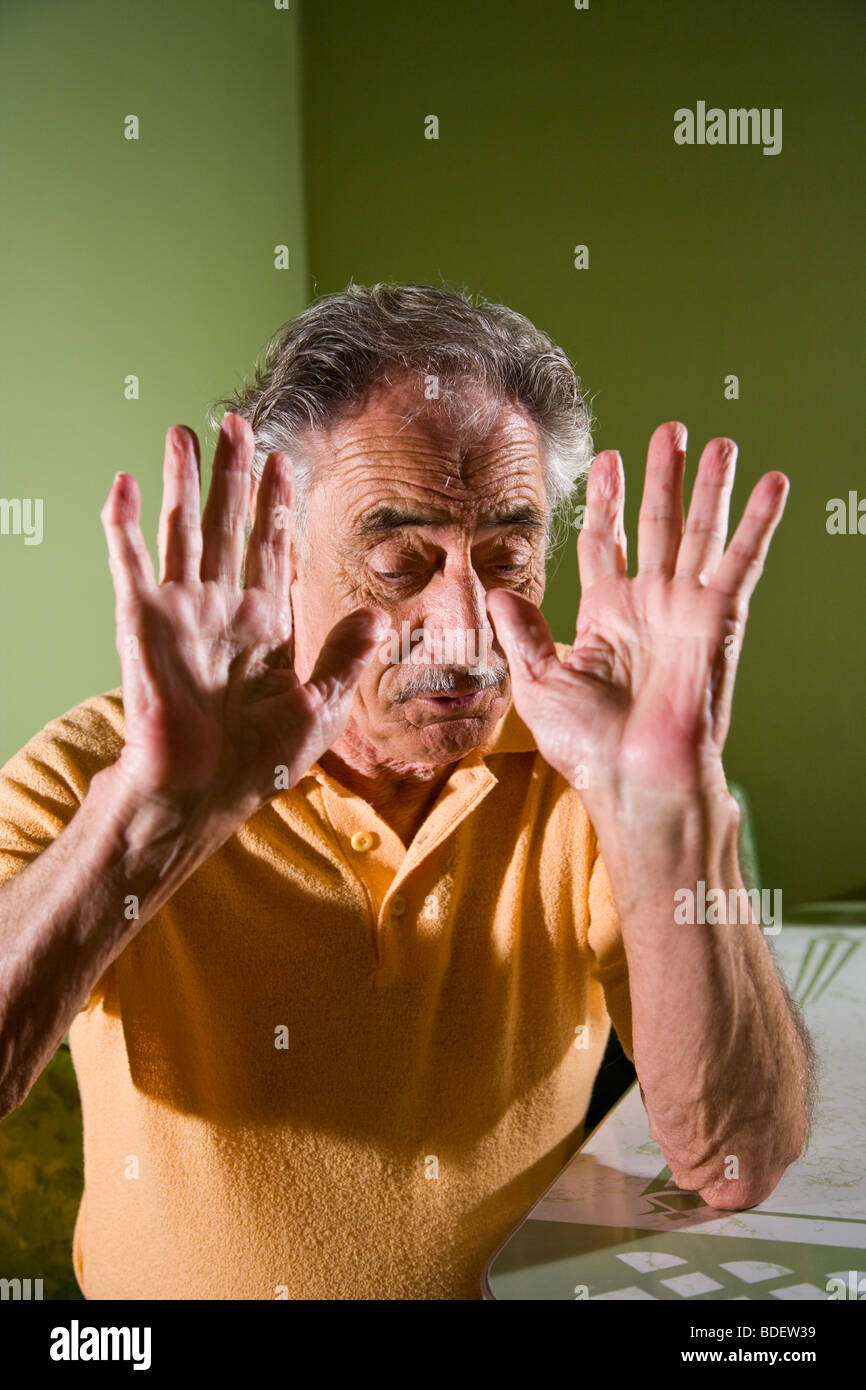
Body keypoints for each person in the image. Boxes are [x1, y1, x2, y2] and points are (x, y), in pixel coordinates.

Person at [0, 283, 813, 1300]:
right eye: (400, 562)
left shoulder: (584, 758)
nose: (467, 629)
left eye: (508, 556)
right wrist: (145, 822)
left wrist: (661, 806)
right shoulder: (103, 766)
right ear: (277, 544)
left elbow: (732, 1160)